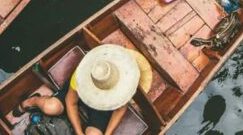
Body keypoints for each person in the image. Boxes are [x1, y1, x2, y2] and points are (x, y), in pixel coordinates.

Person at [12, 44, 152, 135]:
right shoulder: (84, 74)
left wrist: (107, 134)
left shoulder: (123, 85)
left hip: (102, 108)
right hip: (80, 95)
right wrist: (79, 132)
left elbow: (120, 109)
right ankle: (31, 101)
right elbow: (71, 101)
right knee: (51, 107)